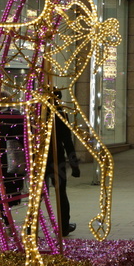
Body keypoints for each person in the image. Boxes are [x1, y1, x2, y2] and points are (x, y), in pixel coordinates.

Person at [47, 90, 81, 235]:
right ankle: (63, 226)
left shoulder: (35, 114)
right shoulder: (60, 114)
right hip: (56, 159)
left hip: (38, 159)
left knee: (37, 195)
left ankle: (31, 228)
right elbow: (67, 142)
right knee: (61, 192)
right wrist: (74, 166)